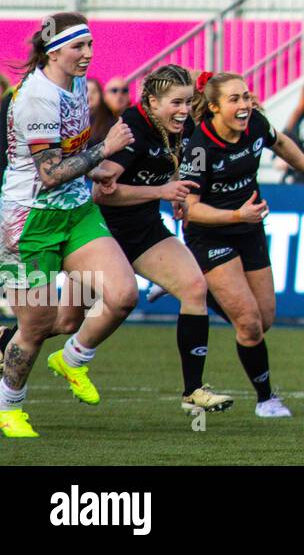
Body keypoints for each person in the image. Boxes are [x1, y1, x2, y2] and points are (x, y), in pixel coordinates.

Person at [0, 13, 136, 438]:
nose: (88, 54)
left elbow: (68, 162)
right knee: (39, 325)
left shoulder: (75, 83)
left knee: (122, 295)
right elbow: (50, 174)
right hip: (29, 222)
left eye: (90, 45)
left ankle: (73, 359)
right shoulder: (36, 98)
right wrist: (104, 150)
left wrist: (95, 172)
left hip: (76, 212)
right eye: (79, 47)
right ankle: (10, 406)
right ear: (53, 50)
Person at [181, 71, 304, 418]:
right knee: (249, 324)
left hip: (248, 227)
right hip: (210, 233)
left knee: (265, 317)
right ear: (213, 107)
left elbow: (280, 142)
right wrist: (237, 215)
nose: (245, 104)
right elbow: (190, 211)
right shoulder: (199, 147)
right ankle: (266, 399)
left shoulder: (255, 124)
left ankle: (191, 285)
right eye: (235, 99)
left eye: (247, 96)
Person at [84, 64, 232, 412]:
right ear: (151, 101)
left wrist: (178, 195)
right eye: (176, 103)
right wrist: (161, 190)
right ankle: (11, 343)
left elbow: (174, 163)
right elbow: (102, 194)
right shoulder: (132, 128)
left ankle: (193, 392)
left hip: (144, 229)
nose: (184, 111)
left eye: (187, 102)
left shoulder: (182, 127)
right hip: (102, 231)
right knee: (62, 319)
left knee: (194, 287)